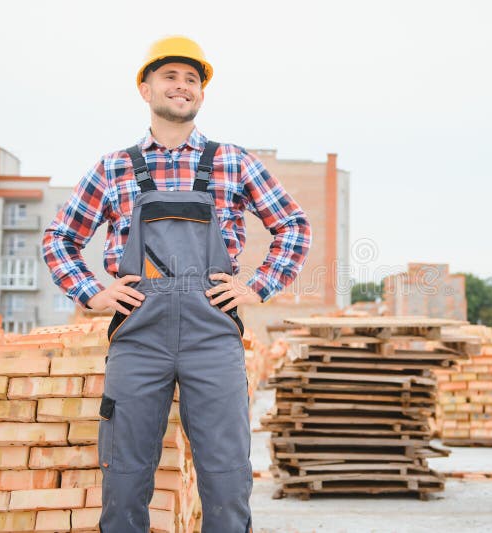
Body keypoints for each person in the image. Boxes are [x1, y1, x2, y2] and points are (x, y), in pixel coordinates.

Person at [41, 35, 312, 533]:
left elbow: (293, 225)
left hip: (213, 336)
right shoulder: (114, 167)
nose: (182, 86)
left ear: (202, 95)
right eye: (170, 76)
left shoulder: (233, 160)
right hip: (137, 337)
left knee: (227, 476)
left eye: (192, 79)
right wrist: (93, 293)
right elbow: (59, 238)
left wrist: (259, 286)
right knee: (124, 475)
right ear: (146, 89)